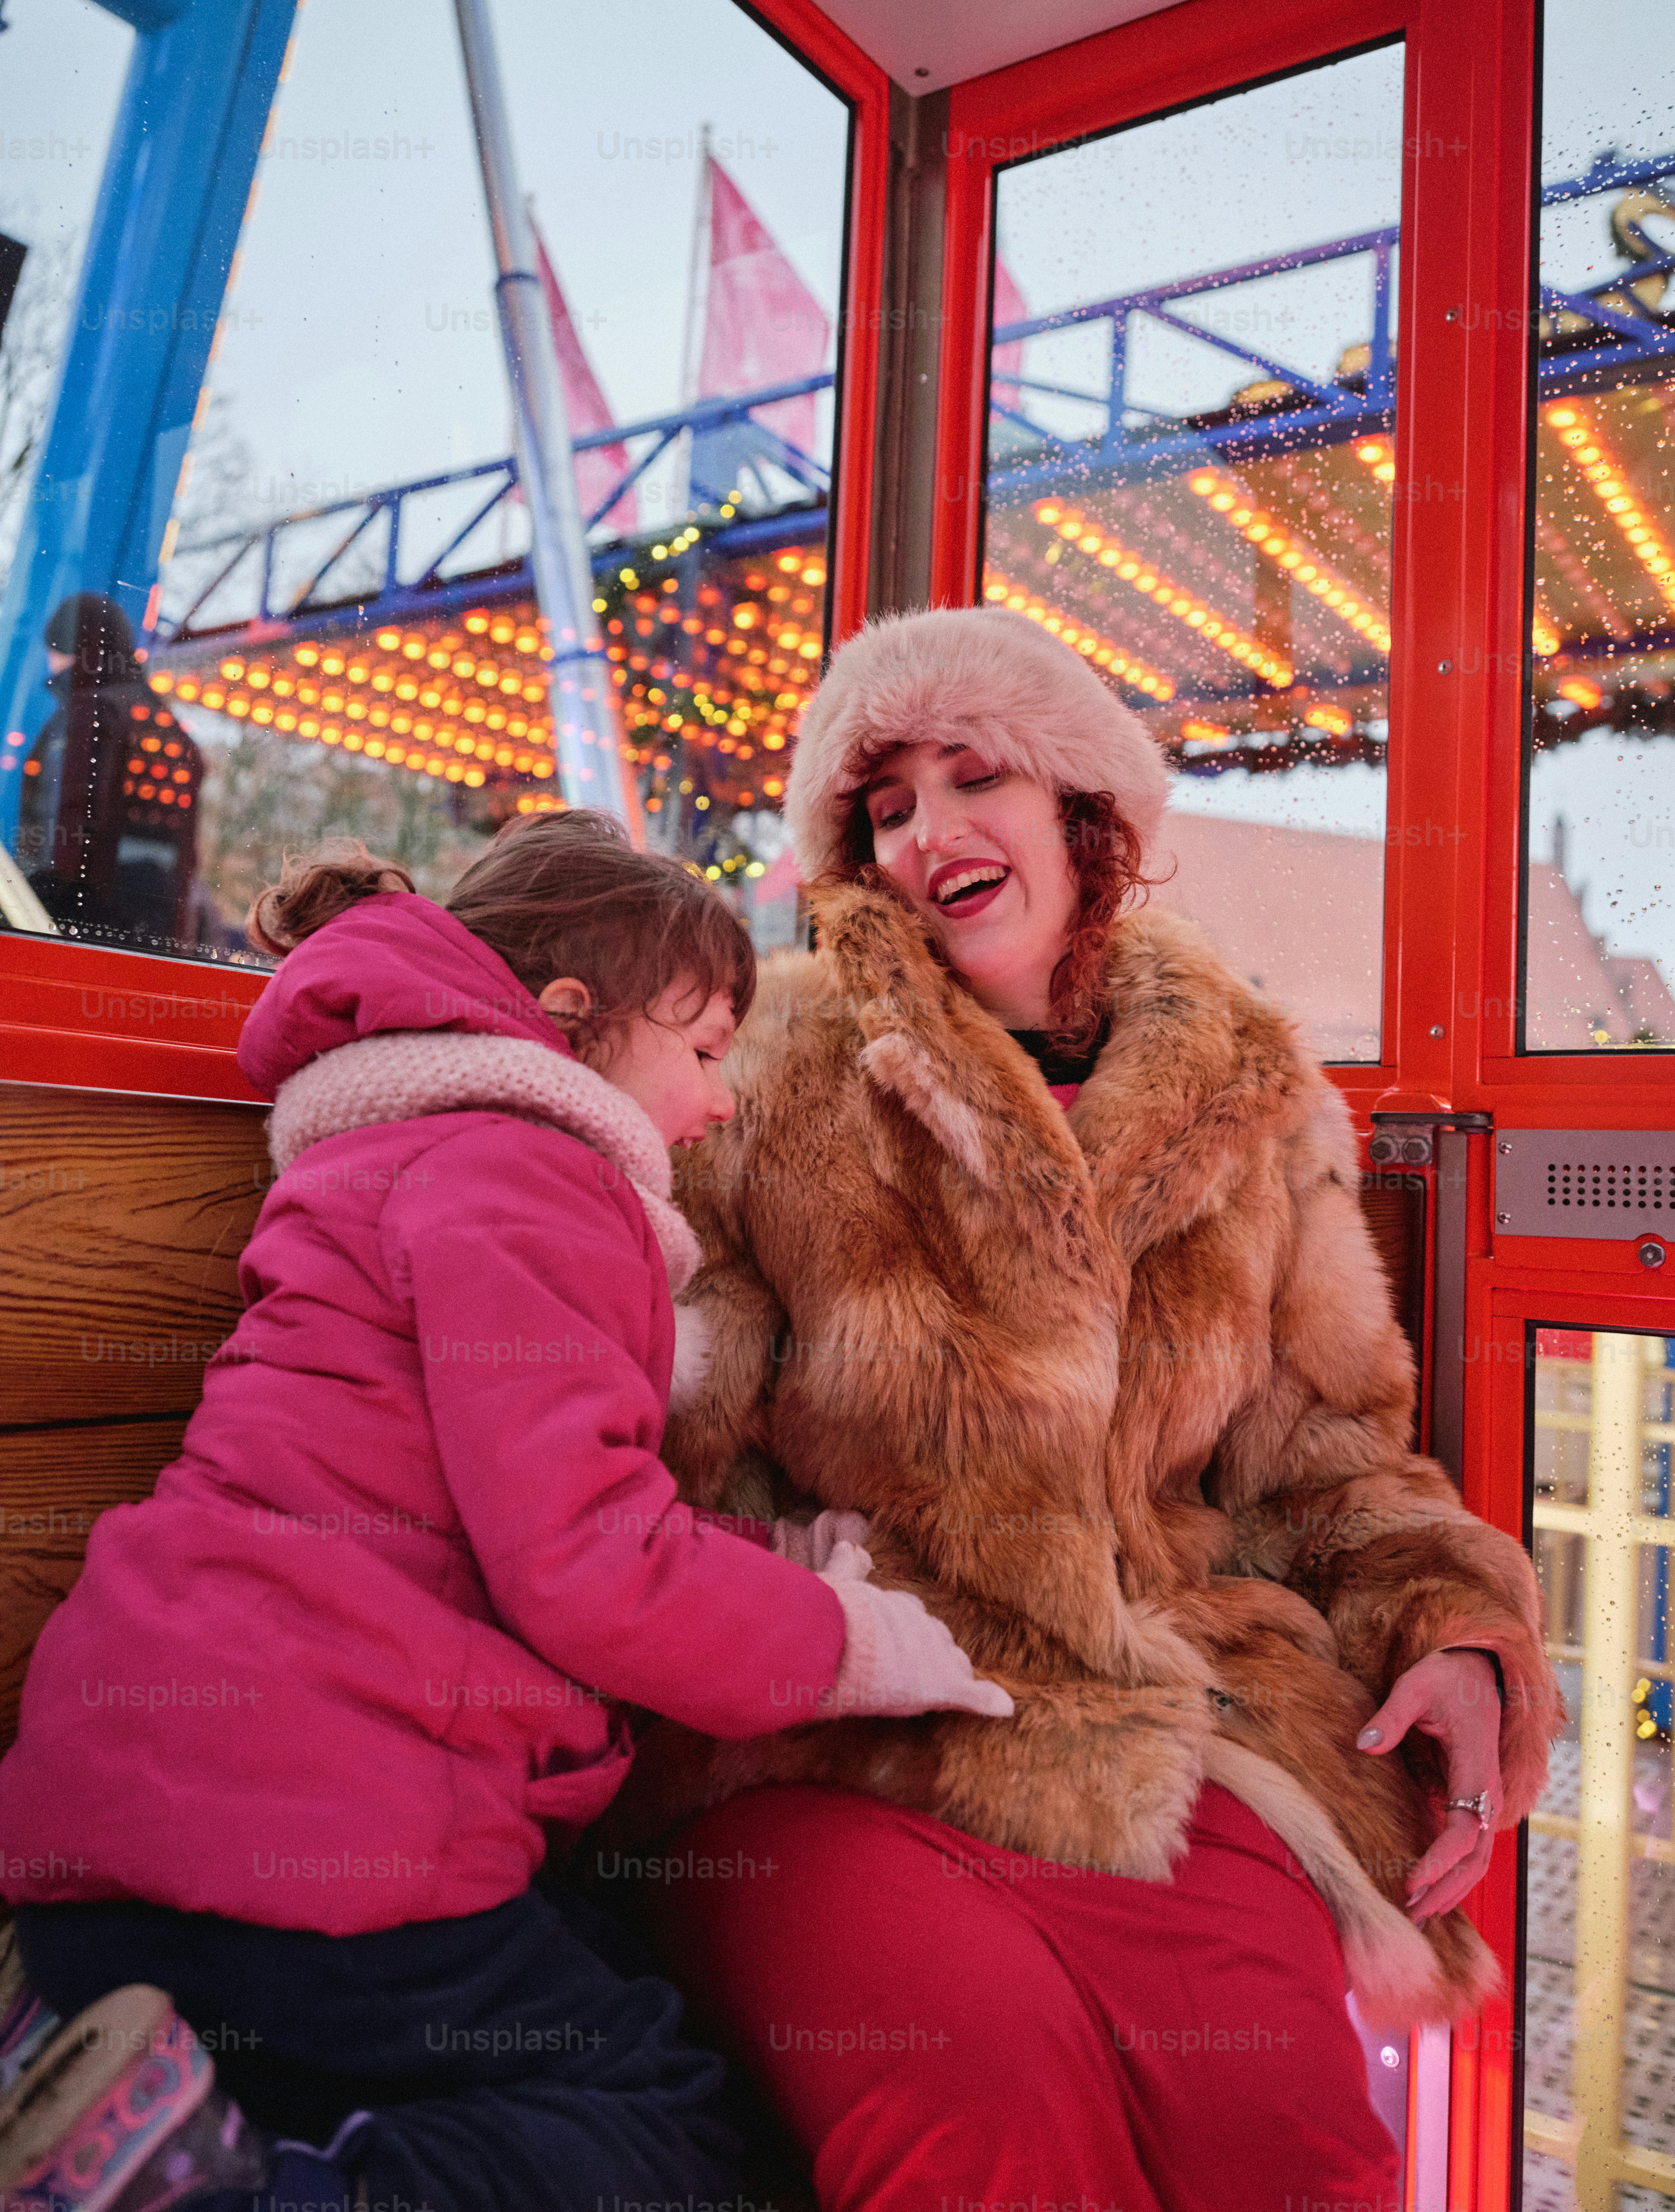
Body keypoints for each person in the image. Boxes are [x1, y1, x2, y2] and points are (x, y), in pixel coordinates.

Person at [631, 607, 1563, 2212]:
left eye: (970, 776)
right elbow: (645, 1447)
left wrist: (1460, 1630)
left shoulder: (1245, 1100)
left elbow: (1329, 1455)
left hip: (1166, 1728)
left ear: (1083, 813)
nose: (926, 833)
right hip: (837, 1746)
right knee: (989, 2130)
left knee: (1298, 2155)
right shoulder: (770, 1065)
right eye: (888, 805)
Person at [0, 810, 1009, 2212]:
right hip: (303, 1850)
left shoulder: (395, 1154)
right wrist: (855, 1644)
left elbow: (523, 1501)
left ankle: (112, 2072)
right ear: (571, 1020)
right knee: (661, 2124)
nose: (719, 1103)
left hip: (121, 1831)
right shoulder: (531, 1178)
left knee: (584, 1963)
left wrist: (779, 1571)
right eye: (704, 1050)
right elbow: (591, 1569)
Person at [15, 594, 204, 944]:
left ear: (70, 647)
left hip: (76, 921)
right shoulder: (162, 721)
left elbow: (69, 821)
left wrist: (40, 903)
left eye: (54, 649)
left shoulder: (91, 712)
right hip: (151, 924)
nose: (50, 663)